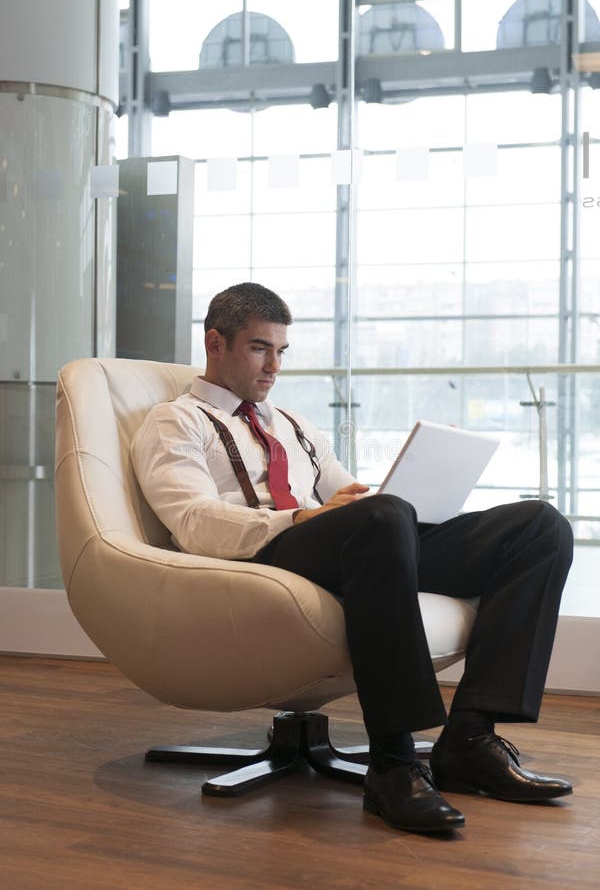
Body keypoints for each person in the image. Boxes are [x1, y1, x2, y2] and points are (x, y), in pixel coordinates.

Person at [131, 282, 574, 834]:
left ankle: (470, 739)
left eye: (282, 352)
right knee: (384, 520)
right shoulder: (176, 421)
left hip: (352, 544)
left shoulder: (292, 426)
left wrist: (414, 489)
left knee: (538, 527)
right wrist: (299, 518)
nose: (274, 366)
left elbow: (355, 500)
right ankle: (393, 765)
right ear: (215, 342)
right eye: (259, 348)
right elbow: (193, 522)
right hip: (265, 551)